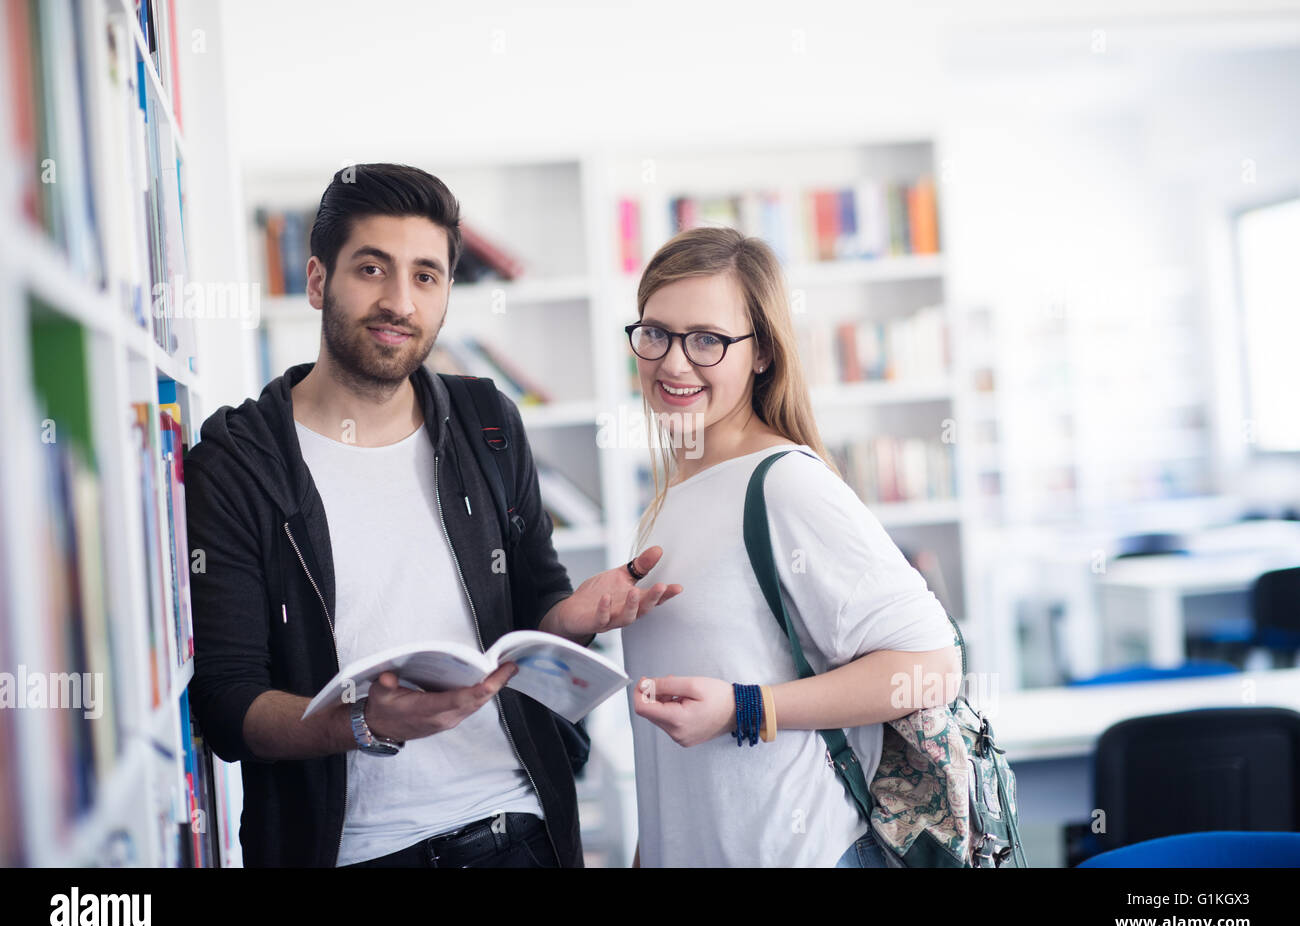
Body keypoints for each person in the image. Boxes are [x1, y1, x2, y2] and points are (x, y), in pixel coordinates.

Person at [185, 163, 680, 867]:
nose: (399, 301)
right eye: (372, 269)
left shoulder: (487, 421)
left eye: (425, 276)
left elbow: (537, 603)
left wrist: (570, 619)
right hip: (353, 851)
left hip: (517, 828)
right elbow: (232, 708)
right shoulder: (237, 463)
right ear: (319, 279)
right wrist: (357, 723)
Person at [620, 226, 964, 867]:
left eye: (707, 340)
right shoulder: (670, 498)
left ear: (761, 354)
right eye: (656, 333)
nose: (672, 362)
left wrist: (744, 708)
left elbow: (933, 666)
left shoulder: (785, 484)